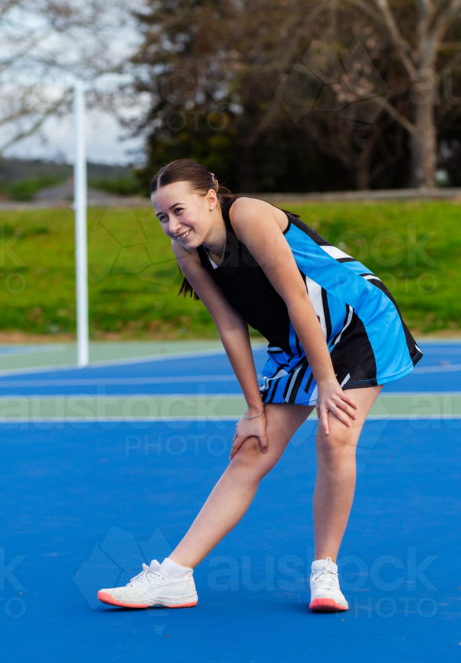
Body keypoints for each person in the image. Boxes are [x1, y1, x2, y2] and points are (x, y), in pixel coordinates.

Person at [98, 159, 422, 613]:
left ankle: (324, 572)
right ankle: (174, 576)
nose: (172, 225)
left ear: (211, 198)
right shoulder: (188, 251)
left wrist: (326, 382)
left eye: (179, 210)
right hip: (296, 337)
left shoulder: (247, 215)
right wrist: (253, 411)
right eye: (162, 217)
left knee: (336, 434)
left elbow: (295, 298)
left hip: (356, 324)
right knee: (253, 447)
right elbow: (231, 327)